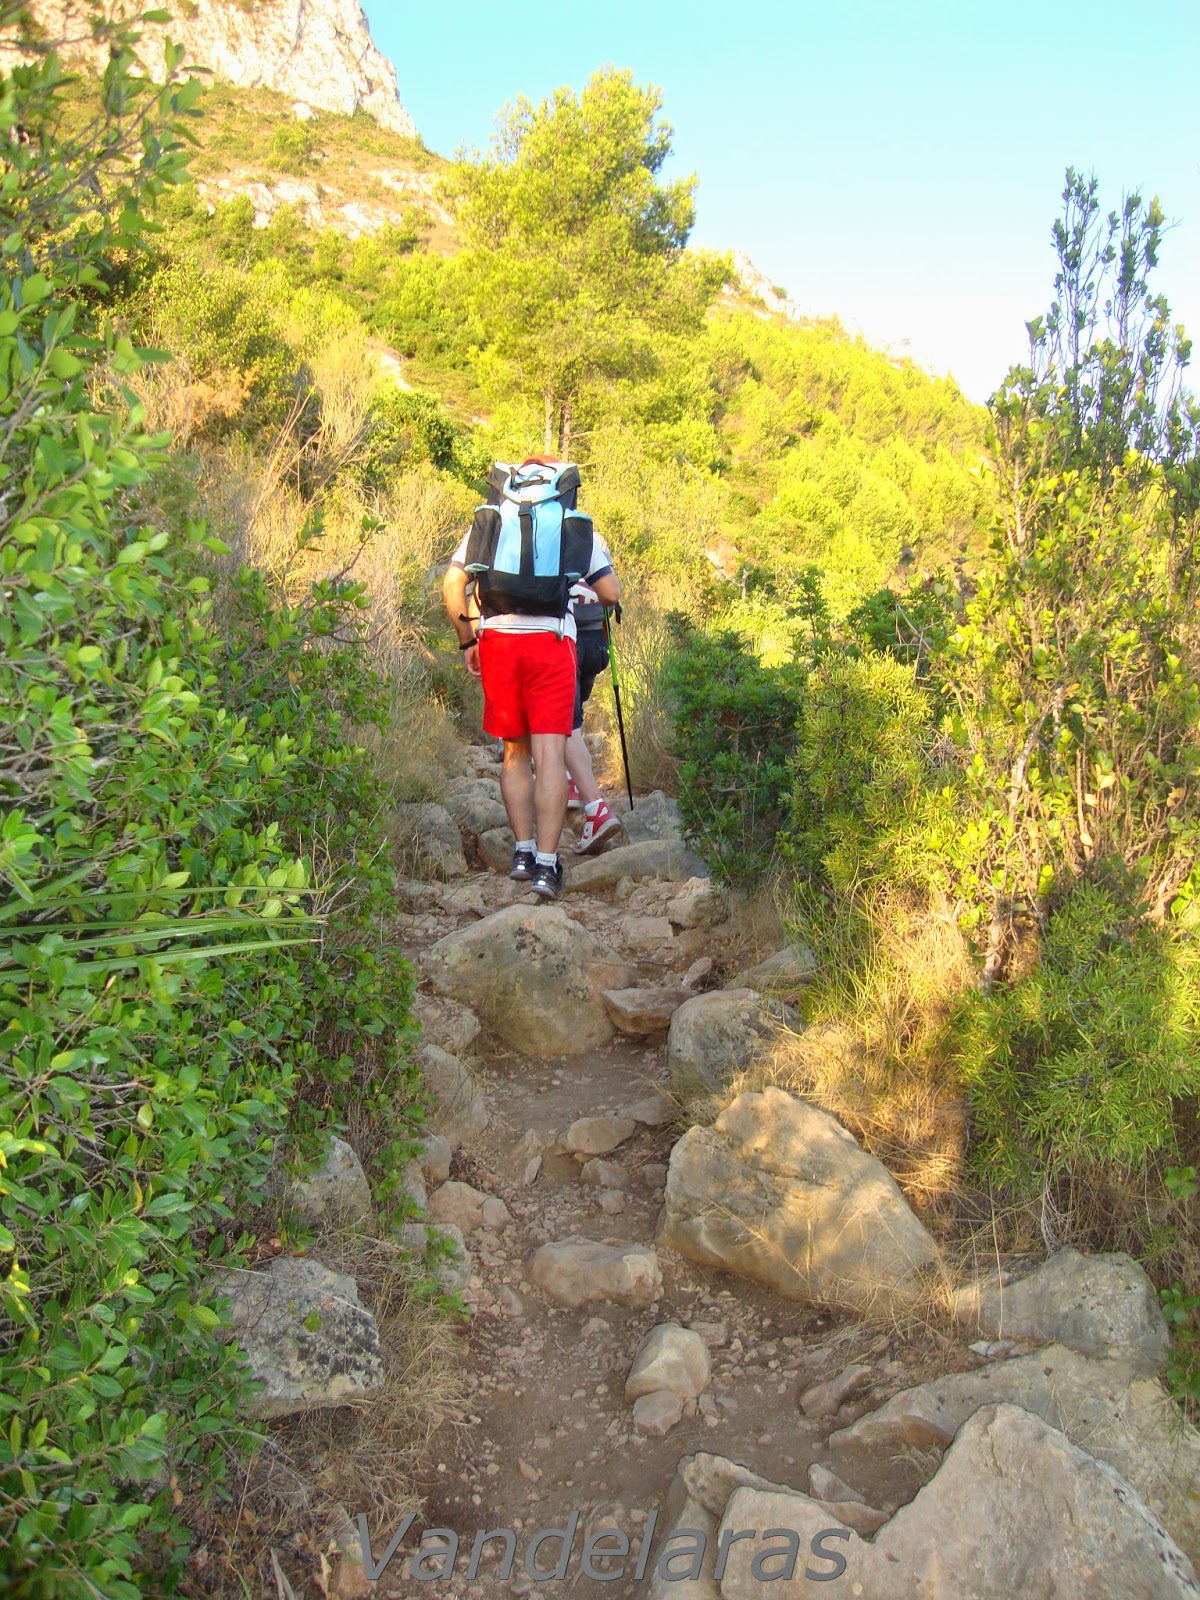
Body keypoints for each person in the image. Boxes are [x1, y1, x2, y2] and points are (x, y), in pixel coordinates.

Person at [442, 457, 621, 900]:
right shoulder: (571, 522)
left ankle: (521, 853)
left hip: (499, 641)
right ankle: (546, 865)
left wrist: (469, 640)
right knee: (550, 753)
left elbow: (451, 586)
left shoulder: (491, 518)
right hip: (551, 643)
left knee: (514, 754)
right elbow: (610, 592)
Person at [565, 579, 622, 854]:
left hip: (563, 640)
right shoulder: (595, 543)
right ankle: (573, 785)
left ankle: (587, 801)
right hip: (595, 643)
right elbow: (612, 593)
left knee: (566, 724)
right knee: (574, 718)